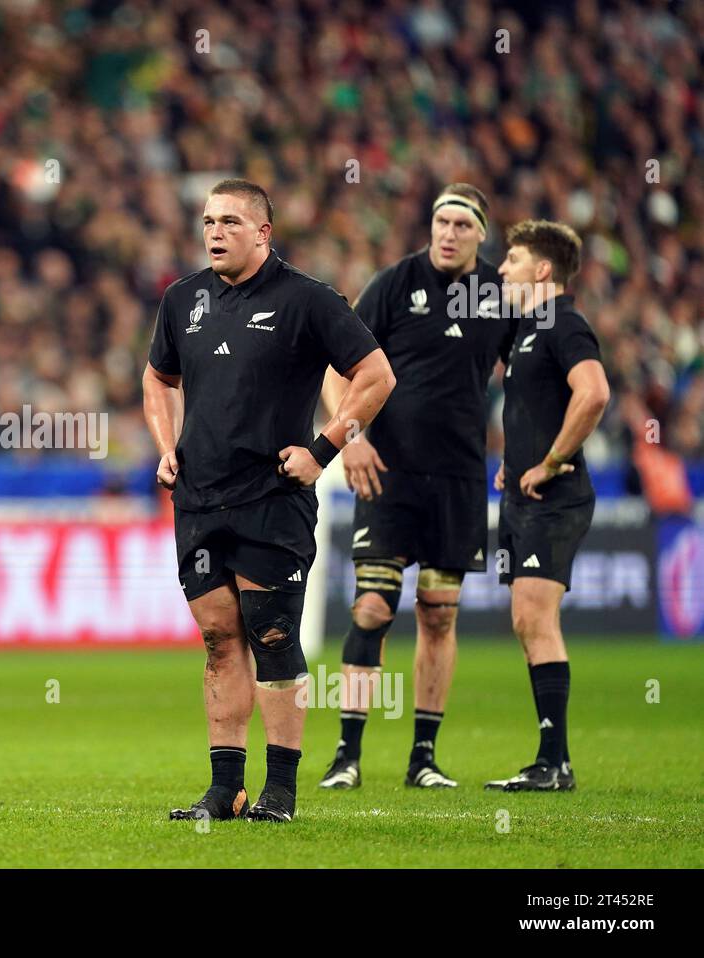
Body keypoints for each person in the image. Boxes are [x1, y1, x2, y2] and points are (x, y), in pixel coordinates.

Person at [143, 179, 395, 822]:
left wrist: (325, 448)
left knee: (274, 635)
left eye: (229, 221)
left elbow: (376, 375)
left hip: (272, 497)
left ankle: (280, 791)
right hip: (198, 499)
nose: (214, 232)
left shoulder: (308, 300)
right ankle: (224, 789)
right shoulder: (182, 299)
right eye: (207, 221)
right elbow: (157, 377)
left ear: (263, 232)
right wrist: (166, 444)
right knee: (220, 641)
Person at [317, 184, 514, 790]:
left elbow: (527, 371)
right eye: (440, 220)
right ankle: (347, 756)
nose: (448, 232)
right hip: (388, 473)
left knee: (438, 614)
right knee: (373, 606)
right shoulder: (394, 284)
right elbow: (335, 368)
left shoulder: (499, 296)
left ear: (482, 234)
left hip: (458, 477)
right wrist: (351, 438)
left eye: (461, 224)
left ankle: (422, 757)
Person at [487, 220, 609, 791]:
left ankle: (554, 763)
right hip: (521, 496)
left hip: (553, 498)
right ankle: (549, 760)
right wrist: (517, 461)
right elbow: (538, 406)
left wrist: (554, 460)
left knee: (536, 618)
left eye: (512, 259)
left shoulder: (564, 322)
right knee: (524, 619)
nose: (503, 269)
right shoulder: (527, 330)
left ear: (542, 270)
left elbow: (595, 392)